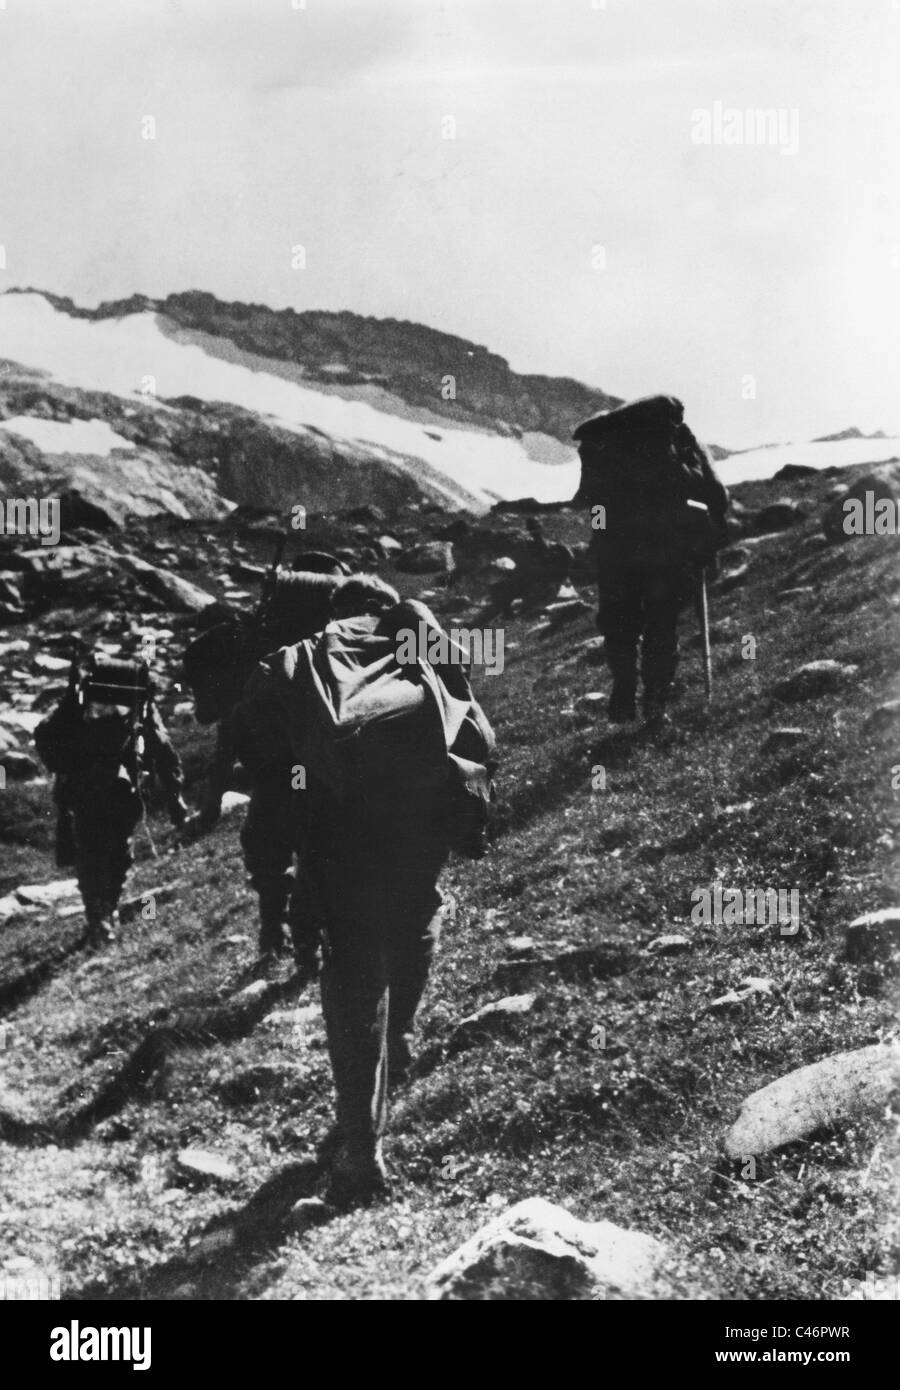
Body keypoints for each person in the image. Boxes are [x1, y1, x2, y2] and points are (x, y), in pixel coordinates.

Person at [231, 592, 496, 1206]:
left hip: (342, 833)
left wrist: (279, 859)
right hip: (426, 814)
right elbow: (473, 719)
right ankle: (398, 1041)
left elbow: (265, 768)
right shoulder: (414, 638)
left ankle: (361, 1153)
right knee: (417, 912)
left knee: (353, 978)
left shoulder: (298, 662)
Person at [181, 569, 400, 969]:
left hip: (286, 769)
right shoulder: (317, 648)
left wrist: (213, 800)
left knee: (282, 849)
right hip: (305, 768)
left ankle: (286, 939)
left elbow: (229, 727)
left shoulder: (291, 652)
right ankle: (295, 940)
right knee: (302, 850)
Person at [572, 395, 729, 728]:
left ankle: (624, 688)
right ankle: (656, 700)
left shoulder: (603, 444)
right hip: (664, 552)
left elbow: (592, 503)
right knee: (662, 624)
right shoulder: (679, 440)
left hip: (616, 552)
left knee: (619, 625)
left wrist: (601, 540)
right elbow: (714, 493)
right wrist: (704, 531)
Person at [34, 655, 188, 948]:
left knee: (90, 854)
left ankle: (98, 917)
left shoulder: (78, 705)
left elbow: (46, 734)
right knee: (120, 851)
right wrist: (175, 797)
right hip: (123, 791)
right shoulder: (139, 706)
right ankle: (108, 910)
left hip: (83, 791)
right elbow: (164, 749)